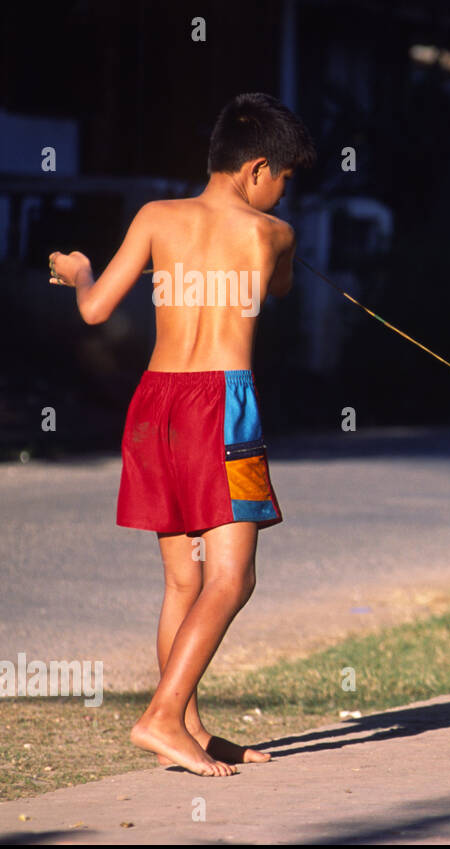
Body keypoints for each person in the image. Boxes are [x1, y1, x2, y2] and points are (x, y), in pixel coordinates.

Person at [48, 92, 315, 777]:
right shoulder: (274, 234)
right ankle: (162, 716)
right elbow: (281, 289)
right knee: (233, 576)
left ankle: (188, 729)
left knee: (182, 582)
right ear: (258, 171)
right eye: (286, 179)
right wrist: (276, 246)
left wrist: (79, 272)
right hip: (226, 408)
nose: (286, 194)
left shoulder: (155, 217)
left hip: (154, 405)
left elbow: (96, 308)